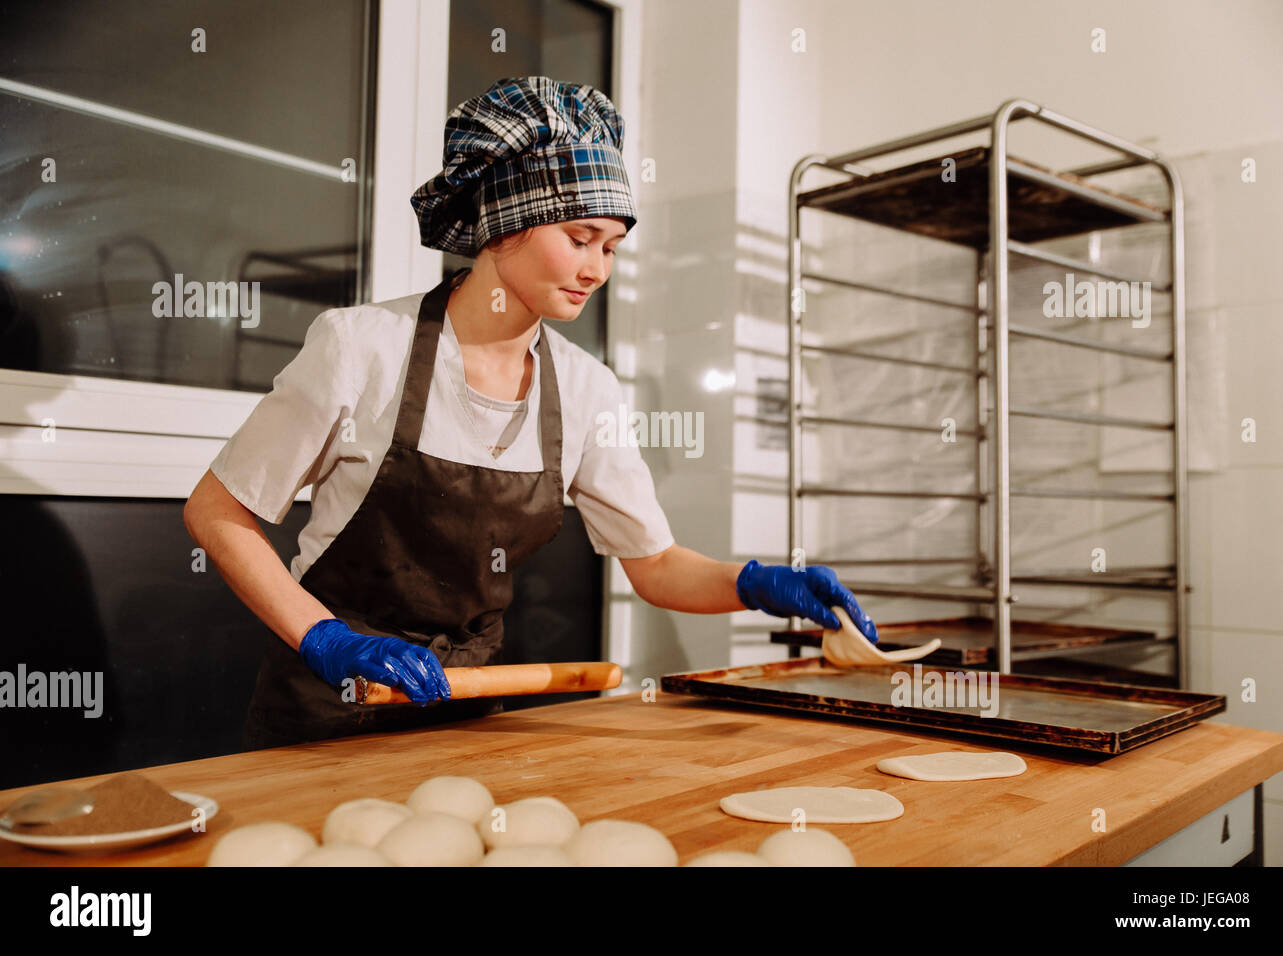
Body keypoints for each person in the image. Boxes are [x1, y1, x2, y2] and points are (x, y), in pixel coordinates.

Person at [183, 76, 877, 751]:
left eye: (611, 247)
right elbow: (217, 511)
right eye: (580, 237)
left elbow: (655, 565)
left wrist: (756, 584)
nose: (597, 268)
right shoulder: (361, 347)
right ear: (503, 226)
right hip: (322, 711)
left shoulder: (586, 390)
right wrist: (324, 637)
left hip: (465, 715)